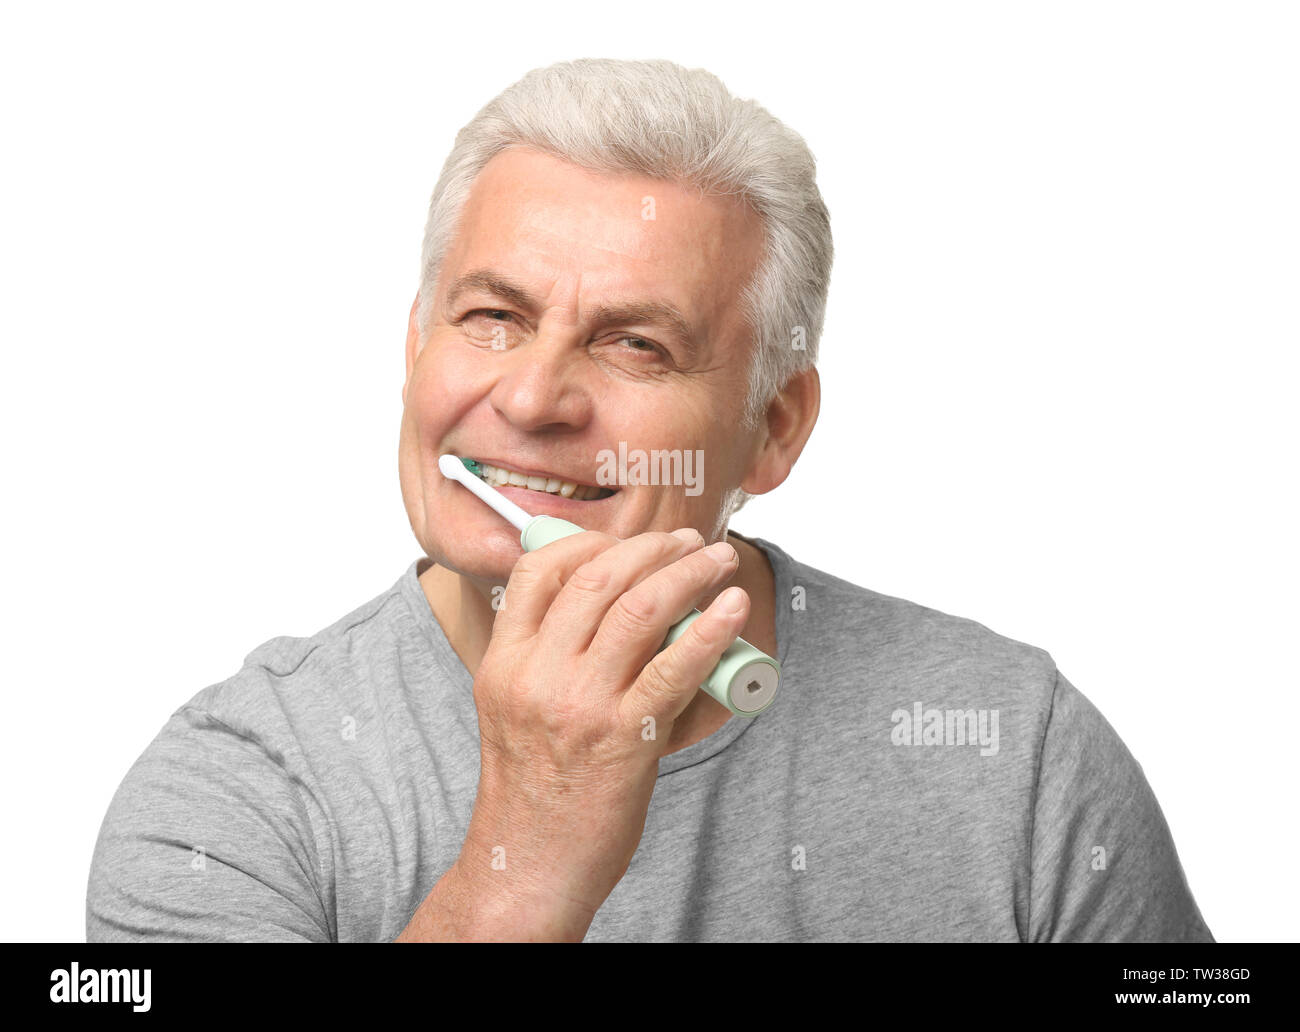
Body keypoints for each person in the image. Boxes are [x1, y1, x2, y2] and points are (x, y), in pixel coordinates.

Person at [86, 58, 1213, 942]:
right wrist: (525, 864)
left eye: (634, 345)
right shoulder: (237, 790)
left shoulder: (1014, 754)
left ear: (773, 428)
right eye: (492, 318)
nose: (529, 398)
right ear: (416, 346)